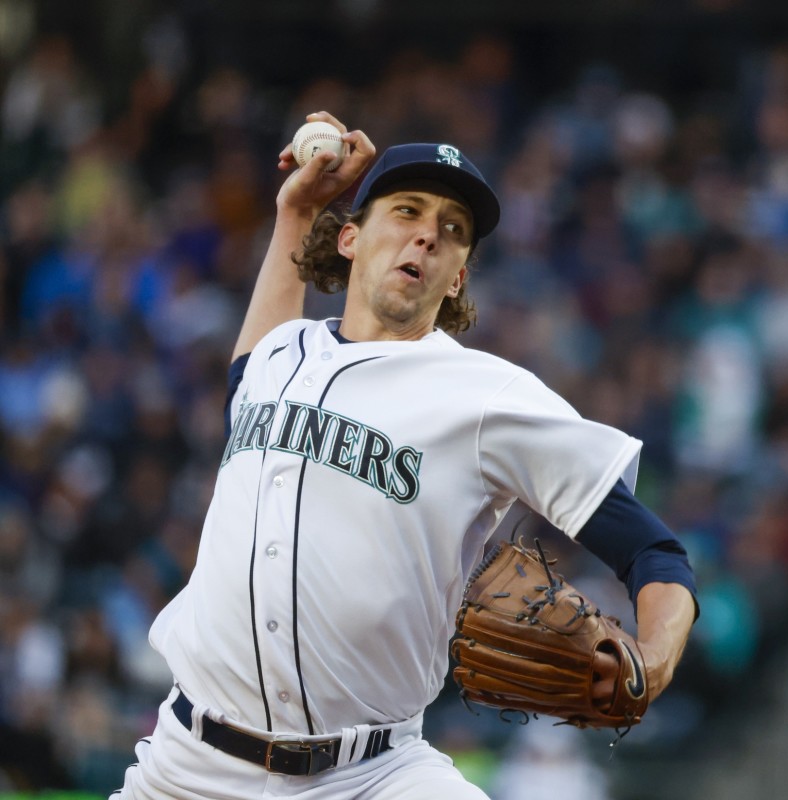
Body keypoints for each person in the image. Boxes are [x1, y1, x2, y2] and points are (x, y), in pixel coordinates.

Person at [108, 113, 697, 800]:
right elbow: (245, 378)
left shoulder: (488, 396)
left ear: (457, 277)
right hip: (188, 768)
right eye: (408, 211)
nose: (428, 233)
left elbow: (655, 551)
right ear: (350, 236)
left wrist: (654, 660)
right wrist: (295, 211)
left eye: (452, 230)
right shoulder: (280, 355)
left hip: (372, 775)